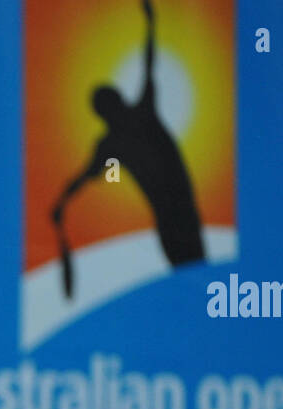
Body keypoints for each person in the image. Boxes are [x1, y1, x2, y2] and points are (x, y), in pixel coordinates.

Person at [51, 0, 205, 272]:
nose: (119, 100)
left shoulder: (126, 129)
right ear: (111, 107)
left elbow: (149, 63)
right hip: (172, 217)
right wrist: (63, 201)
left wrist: (151, 24)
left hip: (179, 214)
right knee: (190, 273)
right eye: (113, 99)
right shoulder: (118, 138)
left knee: (193, 272)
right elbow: (87, 176)